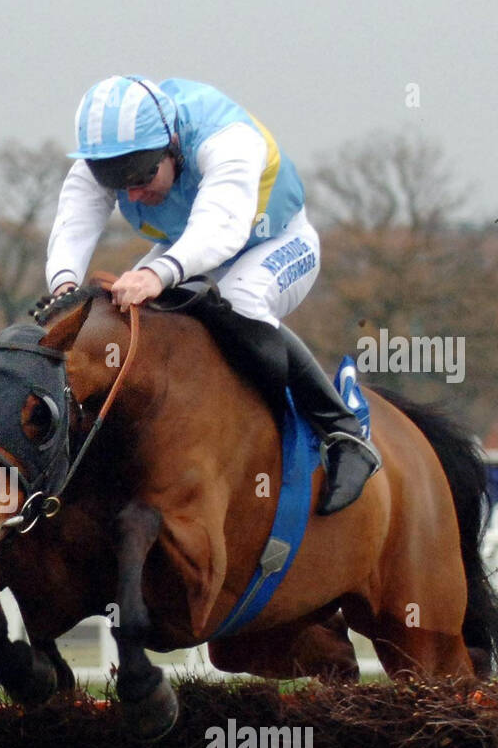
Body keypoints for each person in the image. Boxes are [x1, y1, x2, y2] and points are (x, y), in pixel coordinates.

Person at [45, 75, 380, 516]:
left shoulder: (227, 140)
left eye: (141, 175)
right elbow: (74, 224)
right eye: (115, 180)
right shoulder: (110, 157)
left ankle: (344, 432)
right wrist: (63, 289)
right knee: (131, 314)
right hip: (191, 247)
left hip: (274, 242)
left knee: (240, 298)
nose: (132, 193)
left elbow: (218, 230)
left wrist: (156, 273)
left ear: (173, 146)